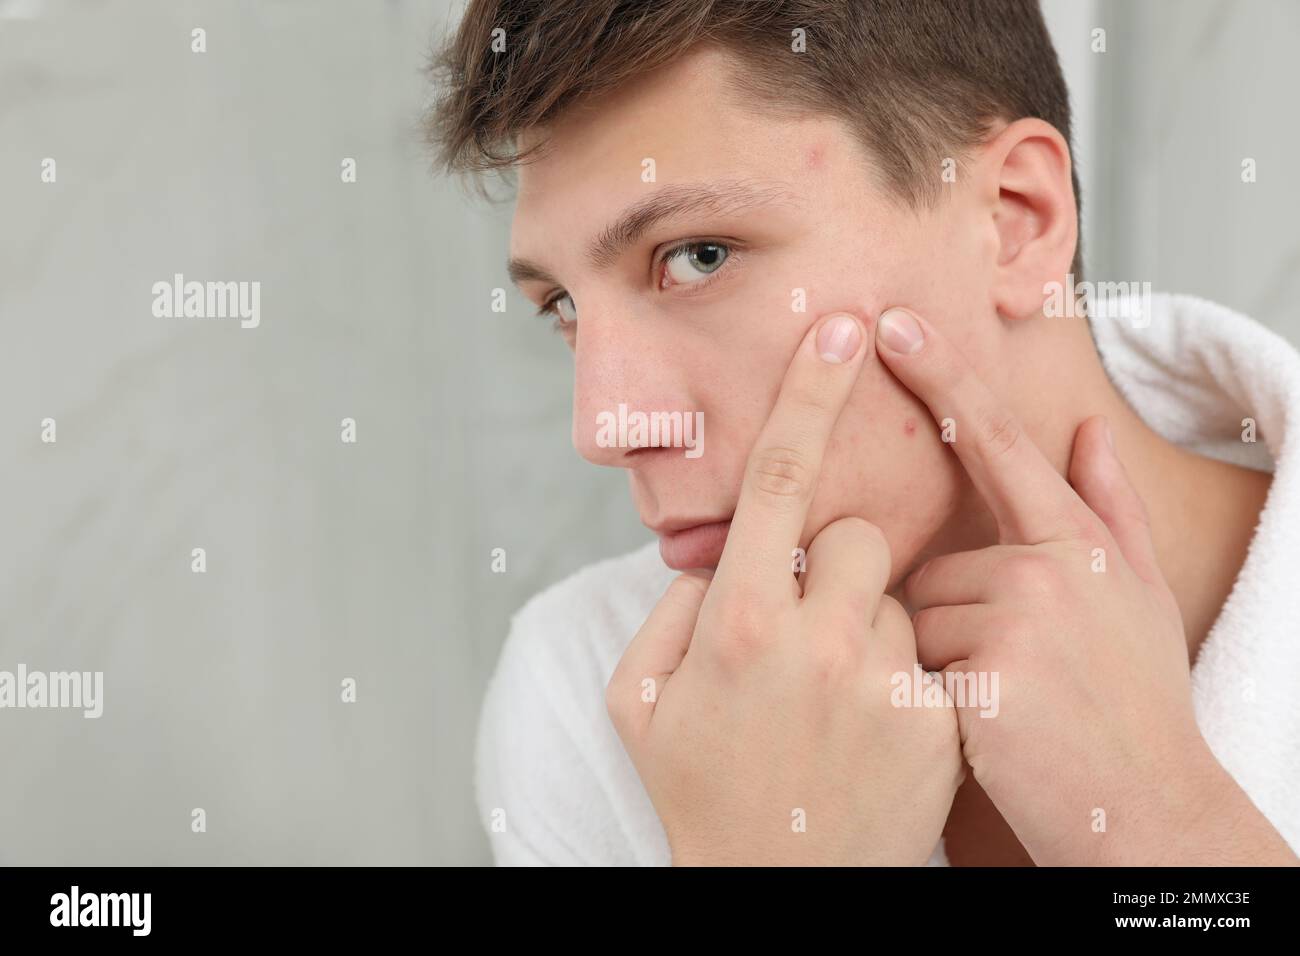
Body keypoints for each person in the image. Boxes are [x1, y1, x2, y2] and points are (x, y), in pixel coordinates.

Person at [428, 0, 1300, 865]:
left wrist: (1166, 827)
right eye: (564, 307)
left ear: (1015, 219)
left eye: (698, 256)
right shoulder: (589, 686)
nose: (605, 424)